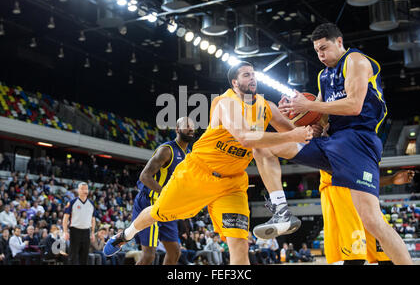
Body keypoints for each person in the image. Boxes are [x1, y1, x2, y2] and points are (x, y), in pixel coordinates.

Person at [104, 62, 312, 264]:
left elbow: (294, 133)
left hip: (232, 184)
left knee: (240, 244)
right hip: (198, 174)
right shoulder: (226, 103)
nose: (252, 78)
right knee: (157, 211)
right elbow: (245, 137)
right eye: (246, 75)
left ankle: (280, 209)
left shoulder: (267, 107)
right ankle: (126, 234)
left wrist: (306, 114)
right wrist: (294, 135)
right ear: (234, 83)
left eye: (253, 74)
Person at [251, 23, 413, 265]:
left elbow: (354, 105)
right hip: (329, 142)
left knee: (372, 221)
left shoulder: (356, 61)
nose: (321, 55)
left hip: (358, 142)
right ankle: (281, 211)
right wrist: (300, 118)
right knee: (263, 145)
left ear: (339, 42)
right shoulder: (324, 75)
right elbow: (320, 117)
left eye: (324, 48)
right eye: (317, 51)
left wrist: (309, 107)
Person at [129, 117, 194, 265]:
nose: (191, 129)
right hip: (148, 203)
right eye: (187, 126)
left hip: (167, 205)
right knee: (149, 256)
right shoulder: (167, 150)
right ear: (177, 129)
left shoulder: (189, 156)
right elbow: (144, 176)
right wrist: (166, 193)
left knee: (175, 252)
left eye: (193, 127)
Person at [319, 169, 415, 265]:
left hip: (362, 192)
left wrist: (391, 179)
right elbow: (346, 172)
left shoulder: (372, 156)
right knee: (356, 257)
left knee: (386, 255)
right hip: (340, 192)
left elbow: (365, 179)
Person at [63, 182, 96, 265]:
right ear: (78, 190)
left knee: (84, 256)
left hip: (86, 232)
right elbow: (65, 218)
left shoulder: (91, 204)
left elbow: (93, 219)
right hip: (75, 231)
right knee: (73, 256)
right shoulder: (72, 202)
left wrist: (92, 233)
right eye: (82, 188)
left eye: (86, 188)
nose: (84, 190)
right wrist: (65, 231)